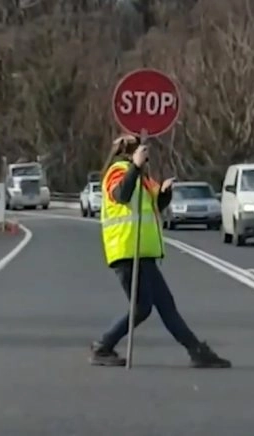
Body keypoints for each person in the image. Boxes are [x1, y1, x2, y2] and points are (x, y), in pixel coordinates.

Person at [89, 134, 231, 369]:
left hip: (143, 251)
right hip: (126, 250)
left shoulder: (143, 179)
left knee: (165, 305)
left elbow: (156, 206)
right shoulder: (118, 171)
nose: (147, 159)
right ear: (133, 153)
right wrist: (134, 167)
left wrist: (165, 192)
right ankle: (102, 346)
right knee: (143, 308)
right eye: (143, 154)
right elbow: (121, 196)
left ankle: (197, 351)